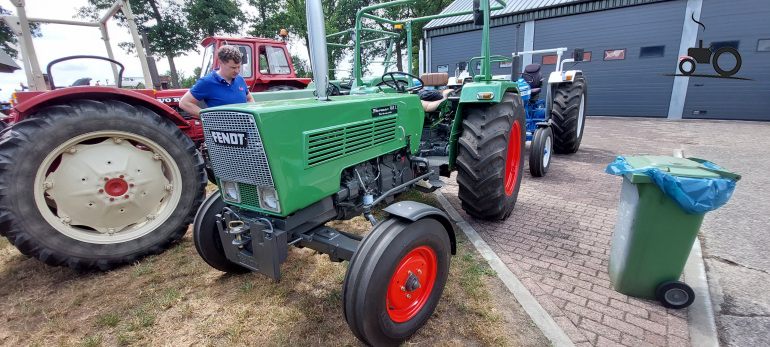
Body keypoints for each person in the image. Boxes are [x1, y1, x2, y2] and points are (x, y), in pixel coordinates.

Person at [179, 45, 255, 117]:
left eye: (239, 67)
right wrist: (208, 118)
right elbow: (184, 103)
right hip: (222, 130)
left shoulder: (240, 79)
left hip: (245, 128)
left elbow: (249, 99)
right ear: (221, 63)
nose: (237, 71)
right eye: (233, 68)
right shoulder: (206, 82)